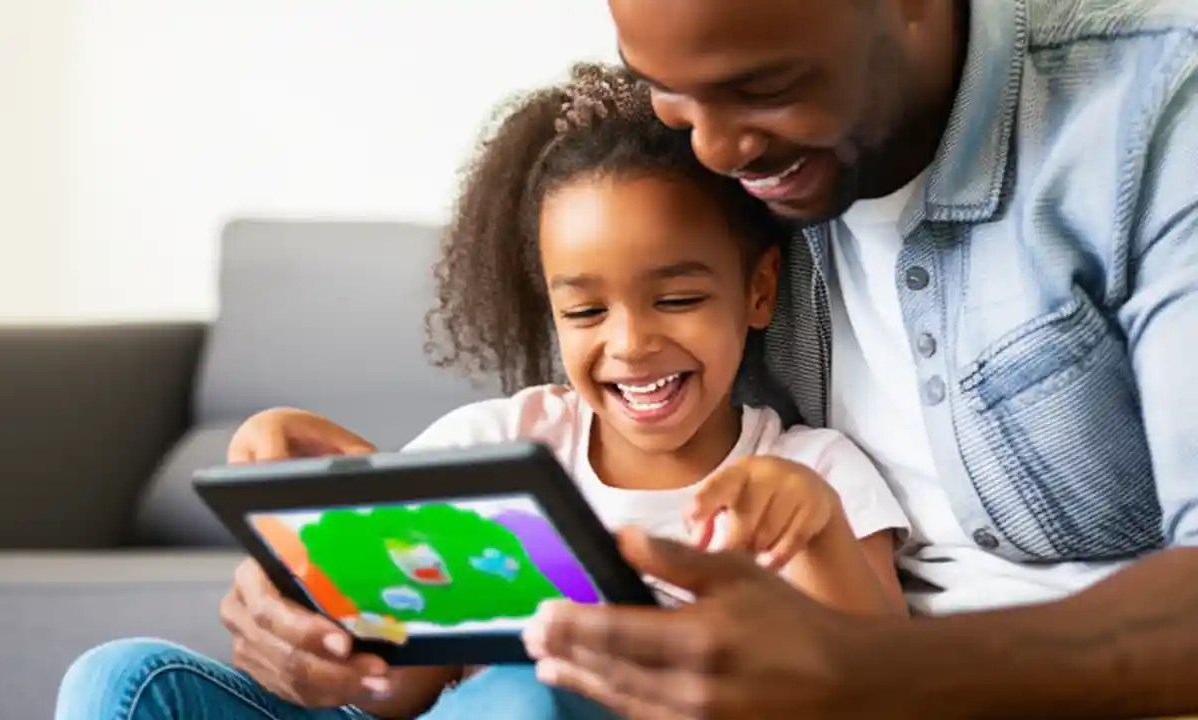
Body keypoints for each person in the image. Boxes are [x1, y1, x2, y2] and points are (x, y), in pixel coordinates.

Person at [211, 0, 1198, 717]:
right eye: (671, 93)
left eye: (762, 89)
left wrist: (860, 673)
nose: (718, 149)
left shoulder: (1152, 117)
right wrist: (320, 596)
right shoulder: (721, 187)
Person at [55, 63, 910, 720]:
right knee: (126, 682)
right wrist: (309, 537)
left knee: (527, 690)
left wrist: (819, 530)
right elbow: (399, 690)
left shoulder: (812, 472)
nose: (631, 343)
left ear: (758, 291)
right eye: (585, 309)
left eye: (678, 299)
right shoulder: (504, 441)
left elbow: (885, 690)